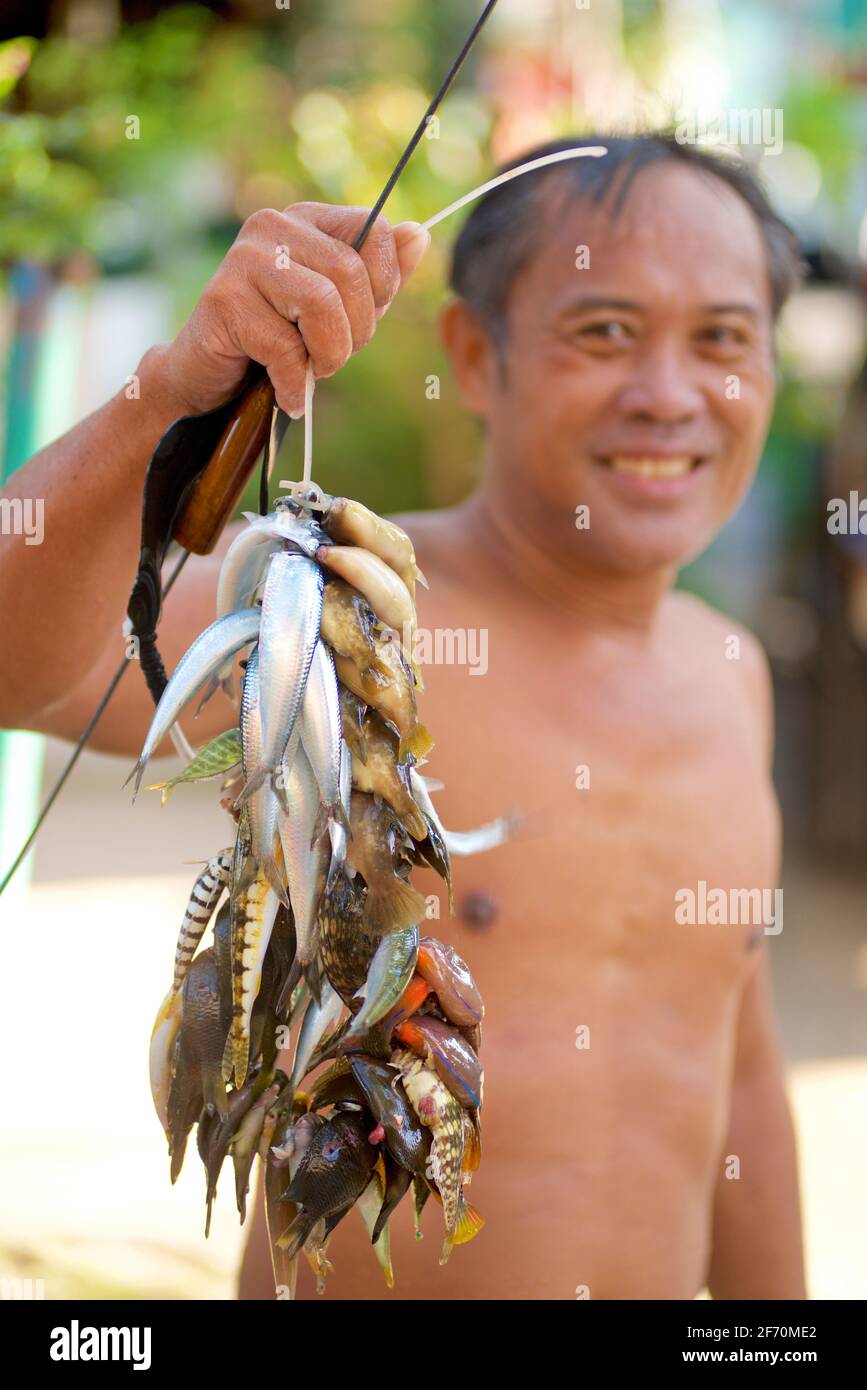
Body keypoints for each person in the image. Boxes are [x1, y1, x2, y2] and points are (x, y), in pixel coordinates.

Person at [0, 134, 807, 1300]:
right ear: (475, 355)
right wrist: (165, 396)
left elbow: (738, 1077)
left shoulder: (733, 670)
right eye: (604, 332)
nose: (667, 395)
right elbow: (17, 667)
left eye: (723, 339)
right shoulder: (340, 607)